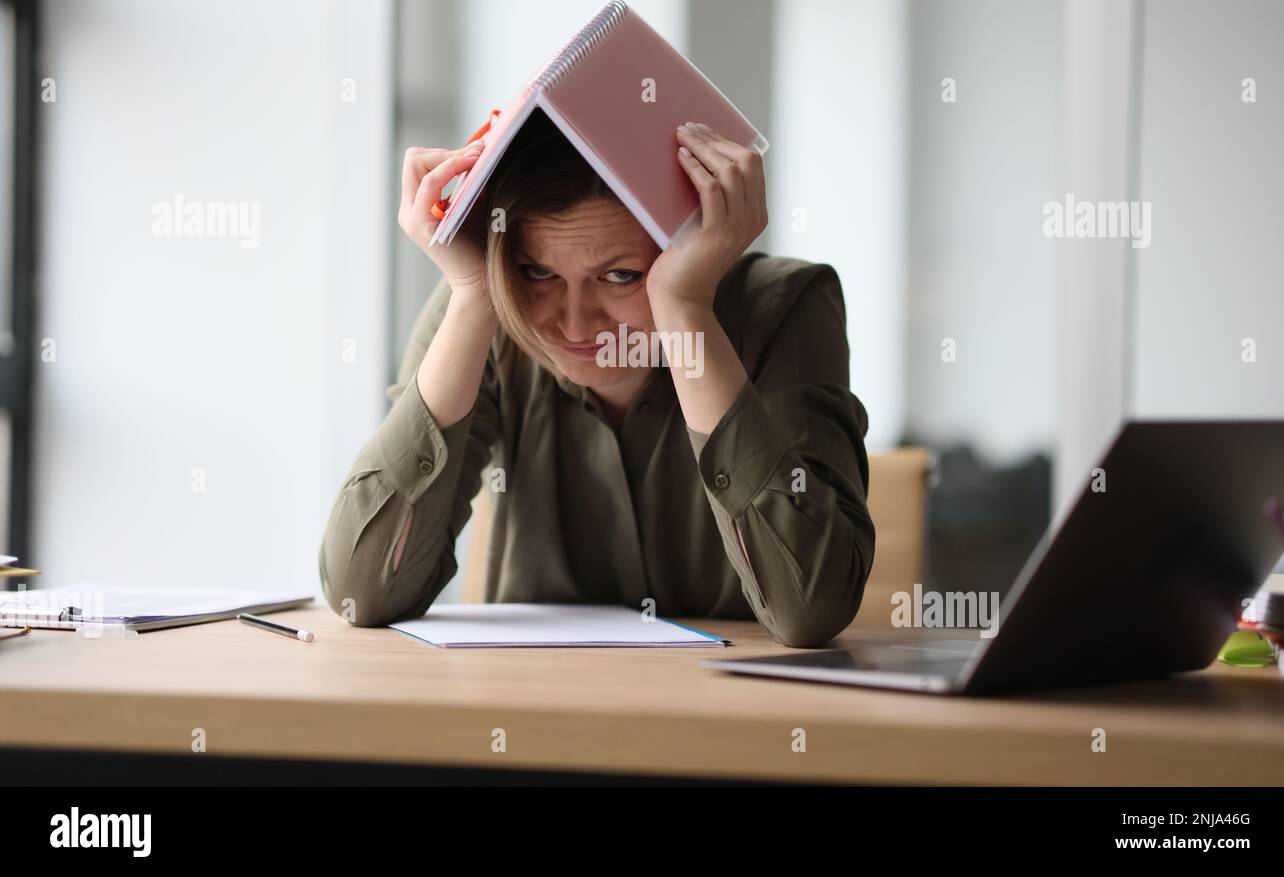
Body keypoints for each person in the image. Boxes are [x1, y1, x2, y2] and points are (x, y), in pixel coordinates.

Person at [318, 110, 875, 648]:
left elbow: (810, 611)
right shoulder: (484, 303)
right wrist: (472, 297)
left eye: (621, 275)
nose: (575, 323)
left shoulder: (783, 308)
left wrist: (683, 306)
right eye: (538, 271)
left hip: (732, 721)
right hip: (532, 715)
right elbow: (360, 596)